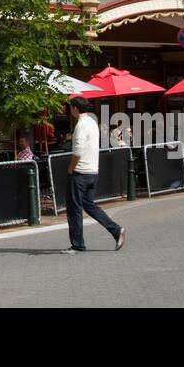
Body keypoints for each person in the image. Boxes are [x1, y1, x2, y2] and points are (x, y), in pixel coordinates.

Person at [61, 97, 125, 254]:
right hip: (92, 171)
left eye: (70, 107)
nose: (70, 110)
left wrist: (70, 169)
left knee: (74, 209)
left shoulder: (81, 126)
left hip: (80, 173)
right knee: (89, 205)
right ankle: (116, 230)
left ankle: (77, 244)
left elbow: (78, 151)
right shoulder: (92, 123)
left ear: (75, 108)